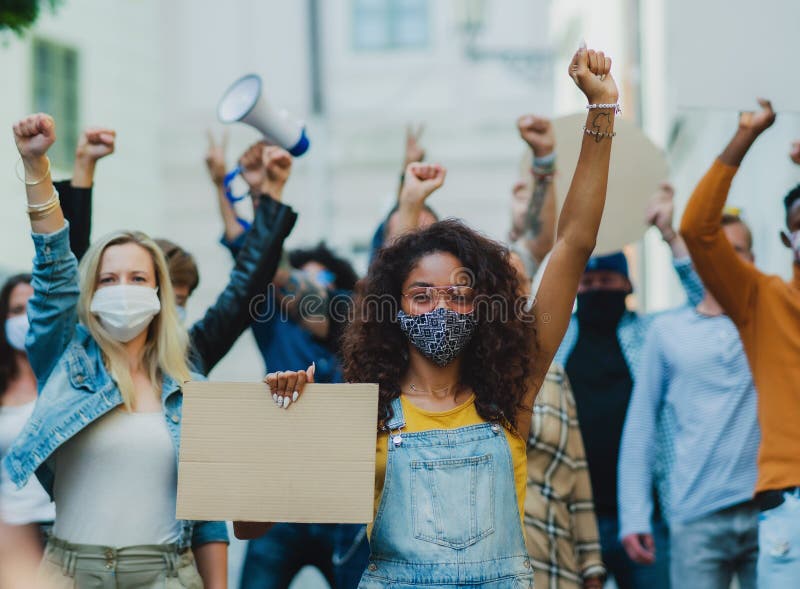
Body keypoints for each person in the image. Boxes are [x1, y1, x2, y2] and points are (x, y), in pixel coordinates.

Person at [241, 43, 620, 589]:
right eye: (422, 295)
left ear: (482, 306)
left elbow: (573, 243)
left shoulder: (512, 395)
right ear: (392, 310)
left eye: (459, 294)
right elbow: (250, 526)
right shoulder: (364, 413)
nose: (441, 307)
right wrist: (284, 424)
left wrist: (601, 110)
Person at [3, 113, 228, 588]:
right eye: (108, 279)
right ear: (90, 294)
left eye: (137, 278)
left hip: (166, 575)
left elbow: (209, 521)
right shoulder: (66, 361)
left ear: (159, 293)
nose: (123, 289)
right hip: (70, 574)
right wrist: (36, 166)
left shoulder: (192, 390)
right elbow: (54, 269)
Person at [553, 182, 705, 589]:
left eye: (608, 280)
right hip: (572, 518)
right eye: (588, 282)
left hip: (647, 517)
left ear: (628, 286)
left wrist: (670, 236)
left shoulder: (654, 333)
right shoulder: (556, 341)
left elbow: (706, 303)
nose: (597, 289)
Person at [679, 98, 800, 588]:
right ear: (787, 239)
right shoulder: (764, 299)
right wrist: (746, 135)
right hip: (790, 503)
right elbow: (697, 230)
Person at [618, 213, 760, 589]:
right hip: (695, 513)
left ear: (753, 259)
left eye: (738, 250)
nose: (728, 259)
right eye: (718, 250)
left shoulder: (770, 320)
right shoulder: (668, 331)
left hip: (768, 509)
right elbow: (641, 423)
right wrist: (634, 515)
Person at [509, 253, 605, 589]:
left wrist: (591, 564)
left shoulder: (555, 375)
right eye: (501, 284)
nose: (513, 293)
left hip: (557, 562)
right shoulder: (462, 379)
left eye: (520, 283)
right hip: (500, 568)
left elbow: (577, 471)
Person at [0, 274, 55, 550]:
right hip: (11, 531)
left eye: (33, 308)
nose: (26, 318)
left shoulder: (68, 379)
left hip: (63, 530)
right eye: (17, 310)